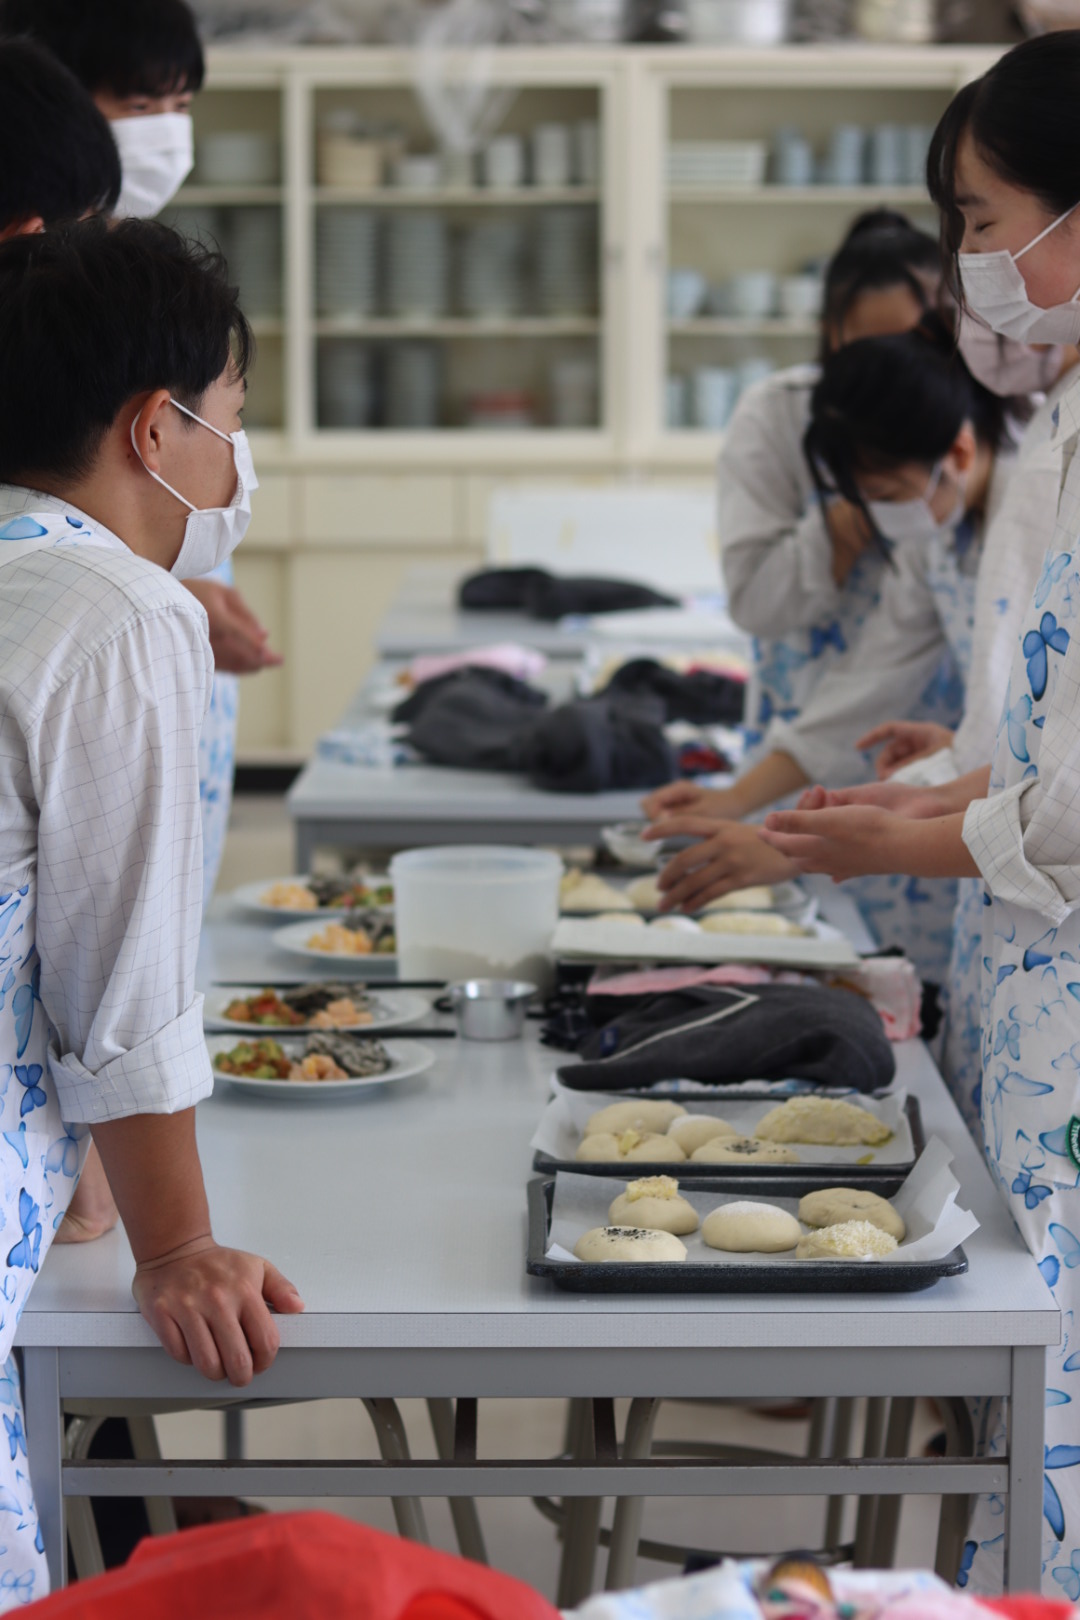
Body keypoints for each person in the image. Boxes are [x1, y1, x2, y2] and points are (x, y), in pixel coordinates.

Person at [759, 30, 1080, 1594]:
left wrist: (913, 829)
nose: (970, 268)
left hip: (1060, 984)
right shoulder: (1061, 433)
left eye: (978, 217)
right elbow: (1038, 726)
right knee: (1024, 1415)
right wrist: (951, 776)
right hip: (1030, 998)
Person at [0, 216, 304, 1608]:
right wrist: (178, 1245)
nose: (237, 459)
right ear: (150, 428)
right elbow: (117, 975)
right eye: (232, 419)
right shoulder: (119, 609)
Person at [0, 0, 284, 904]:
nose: (166, 132)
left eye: (181, 104)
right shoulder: (118, 617)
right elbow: (125, 1027)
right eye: (139, 102)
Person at [645, 318, 1020, 987]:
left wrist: (783, 847)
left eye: (885, 496)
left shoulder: (1037, 523)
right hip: (994, 828)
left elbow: (1042, 768)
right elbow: (866, 685)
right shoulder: (937, 539)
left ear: (958, 453)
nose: (883, 519)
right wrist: (734, 801)